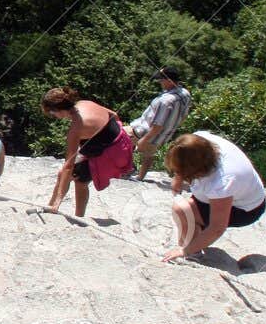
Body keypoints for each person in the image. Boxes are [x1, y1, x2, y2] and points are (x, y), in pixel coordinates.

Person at [162, 131, 266, 261]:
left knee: (181, 210)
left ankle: (193, 253)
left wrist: (184, 250)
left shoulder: (222, 182)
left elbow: (217, 227)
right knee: (185, 212)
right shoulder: (200, 140)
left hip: (245, 210)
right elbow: (184, 154)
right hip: (237, 194)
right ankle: (195, 236)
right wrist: (178, 177)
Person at [41, 87, 134, 216]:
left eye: (52, 112)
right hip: (123, 142)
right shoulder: (85, 103)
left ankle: (70, 212)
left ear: (60, 111)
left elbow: (68, 165)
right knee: (65, 174)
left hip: (111, 154)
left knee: (79, 179)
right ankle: (51, 205)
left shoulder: (76, 128)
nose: (53, 116)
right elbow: (114, 115)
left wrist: (59, 200)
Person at [129, 67, 193, 180]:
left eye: (161, 79)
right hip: (163, 135)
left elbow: (157, 125)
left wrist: (144, 140)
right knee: (149, 155)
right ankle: (140, 177)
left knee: (118, 138)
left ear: (169, 81)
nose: (159, 82)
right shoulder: (185, 93)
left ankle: (126, 169)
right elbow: (184, 116)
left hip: (144, 131)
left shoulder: (166, 101)